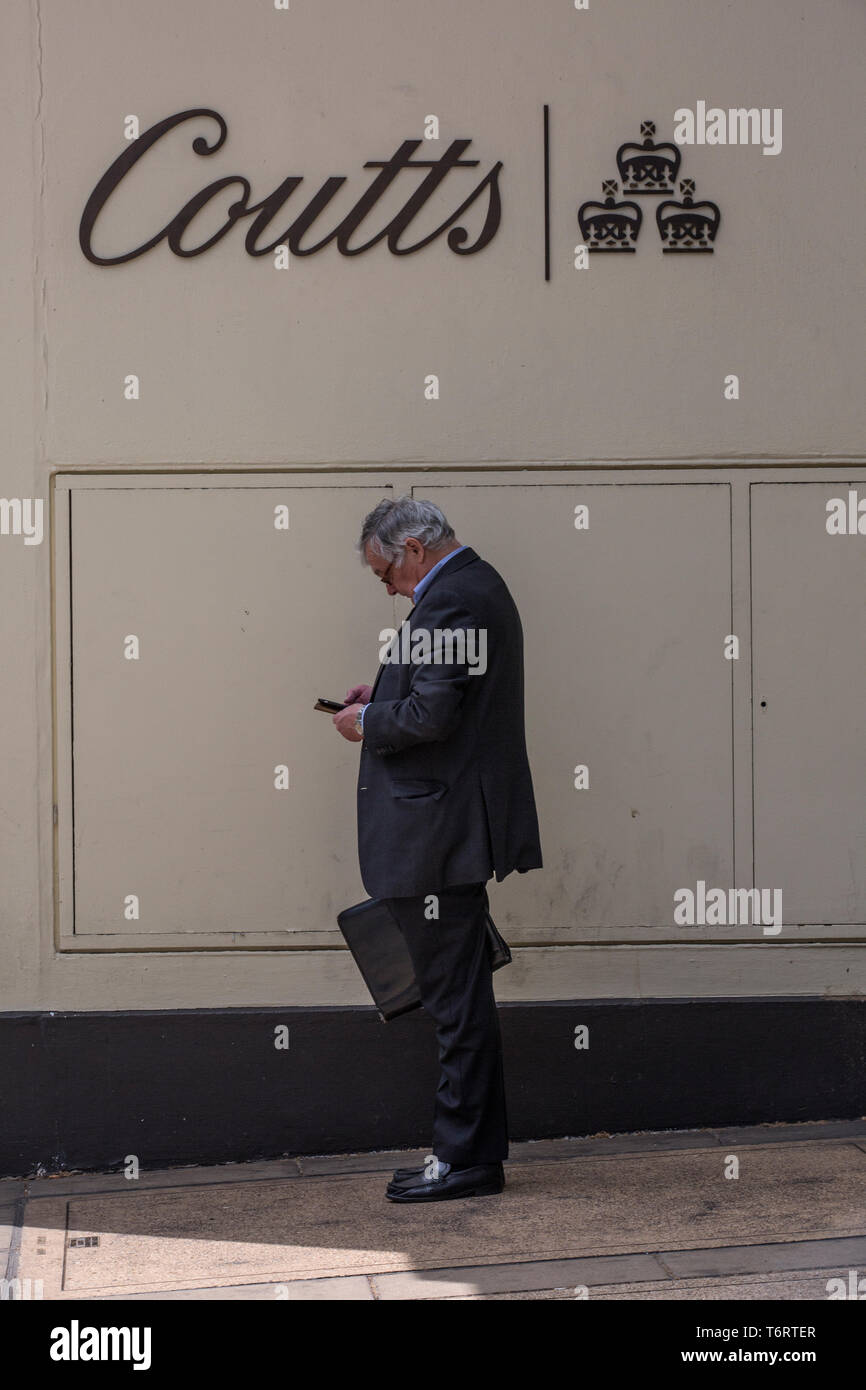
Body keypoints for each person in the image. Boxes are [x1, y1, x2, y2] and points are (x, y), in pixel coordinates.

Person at [333, 496, 542, 1202]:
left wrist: (368, 721)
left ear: (414, 549)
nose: (388, 586)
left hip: (437, 837)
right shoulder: (469, 589)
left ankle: (465, 1161)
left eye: (384, 572)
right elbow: (431, 696)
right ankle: (463, 1154)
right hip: (446, 832)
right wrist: (380, 694)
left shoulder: (453, 599)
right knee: (459, 999)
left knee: (456, 1006)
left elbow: (431, 715)